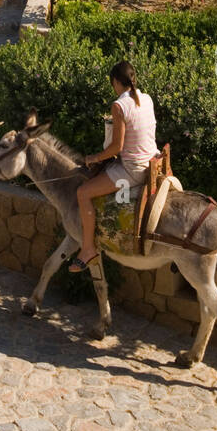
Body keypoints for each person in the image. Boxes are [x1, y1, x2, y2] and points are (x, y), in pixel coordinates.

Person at [70, 59, 159, 272]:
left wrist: (94, 158)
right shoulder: (146, 98)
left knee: (83, 193)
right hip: (152, 162)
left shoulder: (118, 106)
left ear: (116, 82)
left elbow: (116, 148)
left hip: (133, 171)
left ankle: (88, 249)